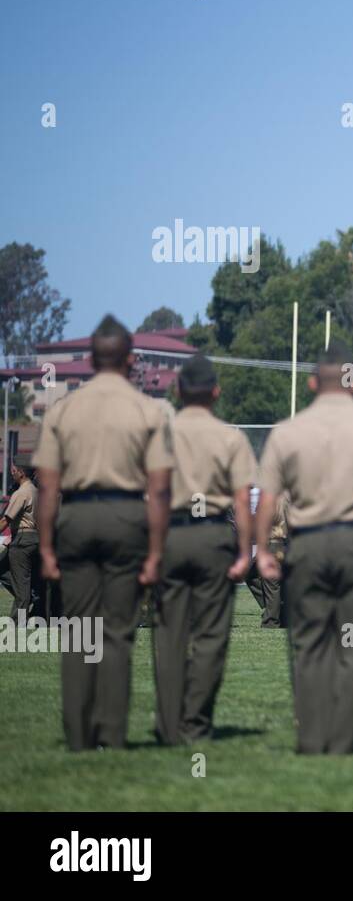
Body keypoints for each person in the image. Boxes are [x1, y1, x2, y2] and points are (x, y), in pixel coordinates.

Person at [255, 341, 353, 754]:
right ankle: (345, 739)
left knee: (309, 643)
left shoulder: (286, 432)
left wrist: (261, 550)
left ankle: (311, 737)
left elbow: (267, 499)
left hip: (306, 544)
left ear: (311, 382)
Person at [33, 315, 174, 751]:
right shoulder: (147, 410)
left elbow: (47, 488)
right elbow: (160, 489)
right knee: (116, 633)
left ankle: (78, 735)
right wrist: (154, 552)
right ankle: (111, 735)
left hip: (75, 517)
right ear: (131, 360)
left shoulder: (62, 410)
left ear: (91, 358)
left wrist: (46, 548)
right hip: (126, 517)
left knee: (78, 631)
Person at [152, 355, 256, 744]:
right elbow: (243, 501)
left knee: (169, 635)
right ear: (216, 391)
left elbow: (156, 494)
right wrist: (245, 551)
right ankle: (195, 723)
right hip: (213, 535)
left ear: (178, 390)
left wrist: (152, 548)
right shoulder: (231, 438)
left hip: (173, 533)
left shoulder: (162, 435)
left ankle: (167, 726)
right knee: (211, 636)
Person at [2, 458, 40, 622]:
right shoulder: (36, 491)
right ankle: (27, 594)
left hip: (23, 539)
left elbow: (6, 520)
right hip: (31, 537)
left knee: (21, 582)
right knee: (17, 577)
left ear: (21, 473)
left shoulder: (22, 492)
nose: (12, 472)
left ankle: (18, 621)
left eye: (14, 470)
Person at [246, 492, 289, 628]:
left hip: (274, 542)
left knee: (271, 583)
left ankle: (271, 621)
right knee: (250, 573)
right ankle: (277, 609)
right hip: (284, 542)